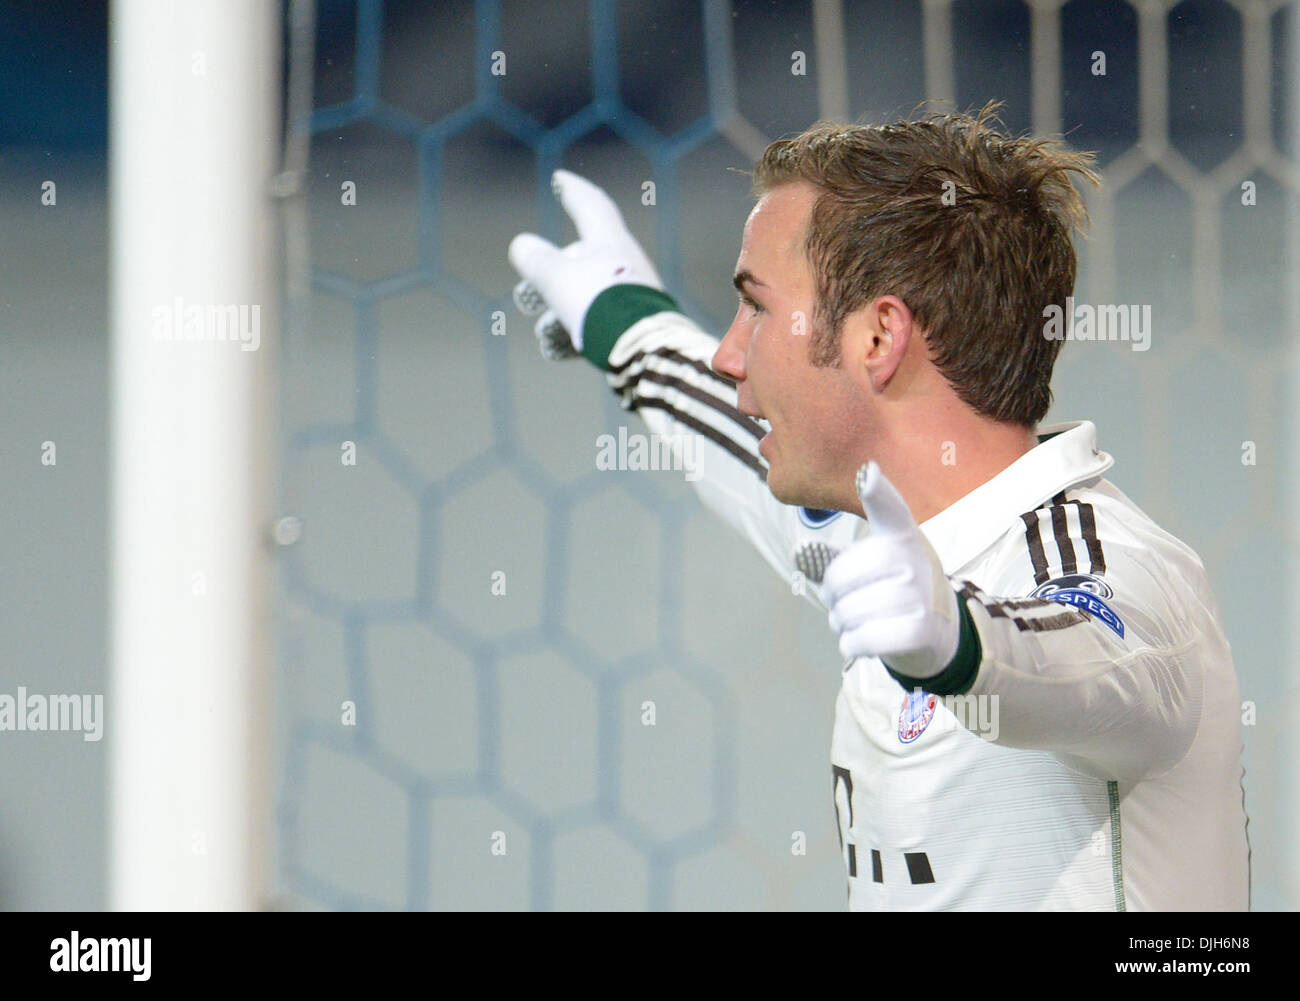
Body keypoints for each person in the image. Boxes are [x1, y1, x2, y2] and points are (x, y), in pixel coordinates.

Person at [507, 106, 1250, 911]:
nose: (729, 355)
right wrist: (623, 322)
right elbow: (722, 437)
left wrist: (958, 642)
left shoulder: (1109, 569)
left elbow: (1088, 655)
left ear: (877, 338)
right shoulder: (880, 545)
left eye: (756, 306)